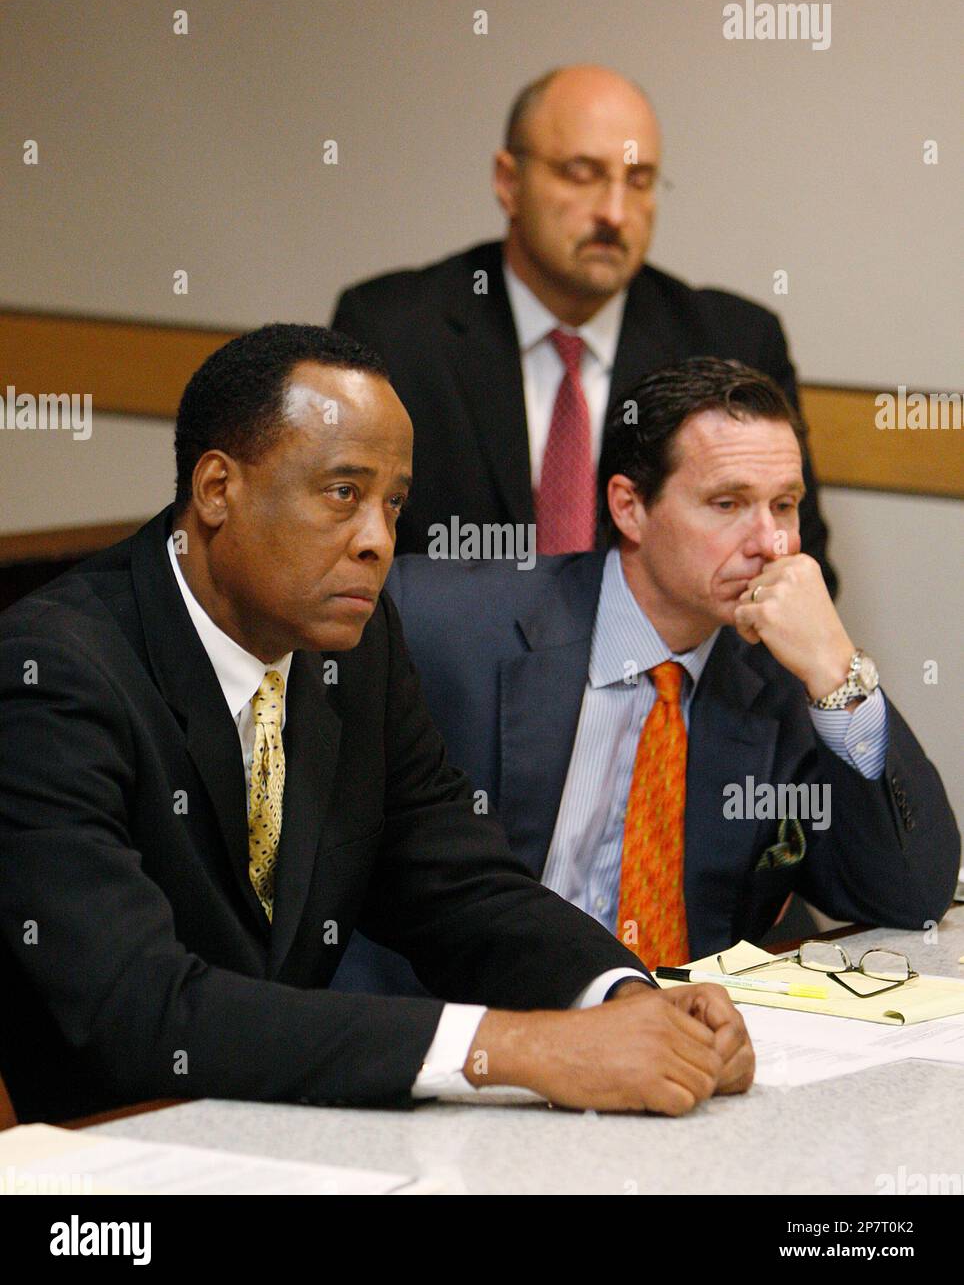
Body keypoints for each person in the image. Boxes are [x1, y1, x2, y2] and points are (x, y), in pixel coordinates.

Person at [0, 325, 754, 1125]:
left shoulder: (354, 648)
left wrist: (625, 998)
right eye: (342, 494)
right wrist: (513, 1048)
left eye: (393, 503)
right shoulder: (52, 674)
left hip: (298, 1130)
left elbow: (454, 884)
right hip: (107, 1154)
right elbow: (138, 1011)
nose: (379, 541)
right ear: (218, 489)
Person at [334, 358, 958, 997]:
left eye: (785, 505)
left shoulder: (787, 680)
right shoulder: (443, 625)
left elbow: (909, 897)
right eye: (728, 503)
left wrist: (837, 671)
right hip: (477, 1037)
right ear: (629, 508)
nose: (772, 543)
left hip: (678, 1044)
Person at [332, 64, 837, 594]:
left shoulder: (730, 341)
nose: (615, 213)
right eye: (582, 174)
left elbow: (799, 575)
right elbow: (342, 558)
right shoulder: (397, 329)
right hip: (443, 672)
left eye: (638, 181)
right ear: (509, 182)